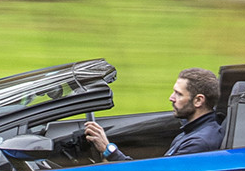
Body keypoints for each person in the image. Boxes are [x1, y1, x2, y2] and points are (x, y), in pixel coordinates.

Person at [84, 67, 222, 160]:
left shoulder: (197, 144)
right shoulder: (193, 130)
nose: (171, 98)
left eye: (179, 94)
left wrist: (108, 150)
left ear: (198, 100)